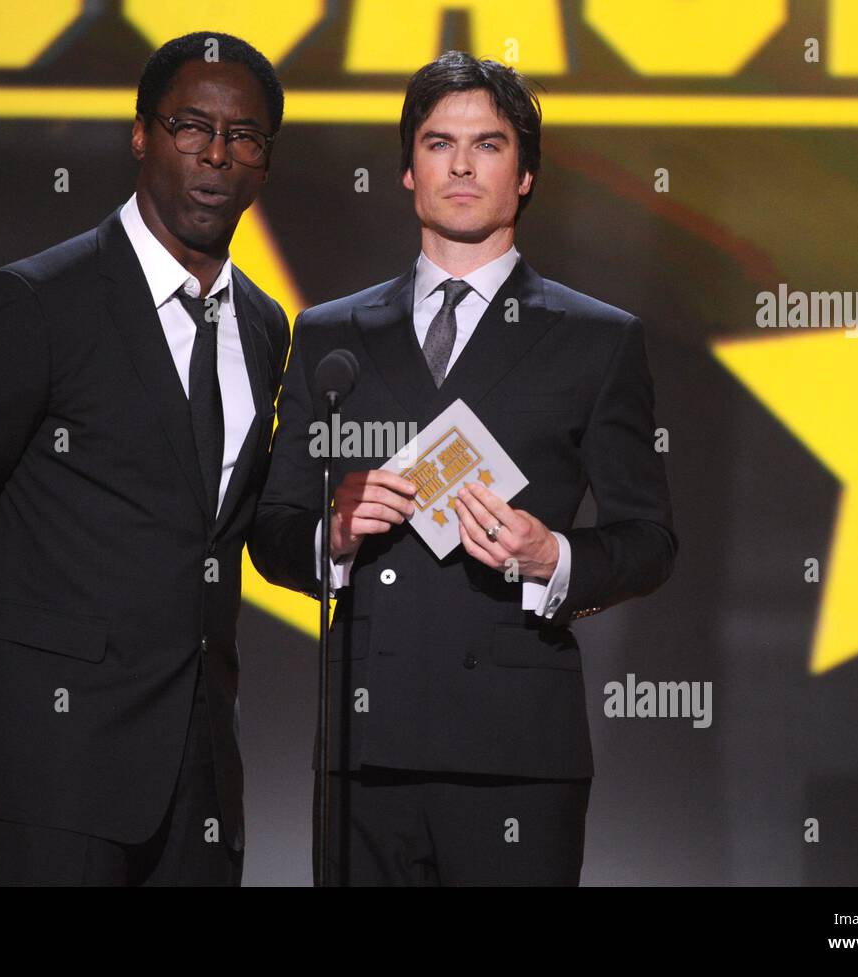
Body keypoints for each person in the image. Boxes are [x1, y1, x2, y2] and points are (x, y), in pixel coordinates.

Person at [248, 51, 677, 885]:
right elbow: (269, 531)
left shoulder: (597, 339)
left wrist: (554, 556)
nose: (462, 164)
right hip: (365, 745)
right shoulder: (332, 334)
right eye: (439, 143)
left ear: (525, 174)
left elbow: (651, 538)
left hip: (518, 745)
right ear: (408, 171)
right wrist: (331, 534)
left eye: (488, 144)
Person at [0, 31, 289, 885]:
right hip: (49, 762)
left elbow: (217, 527)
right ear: (141, 134)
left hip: (201, 773)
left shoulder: (262, 325)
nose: (216, 156)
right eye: (191, 127)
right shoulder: (36, 302)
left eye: (244, 137)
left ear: (264, 161)